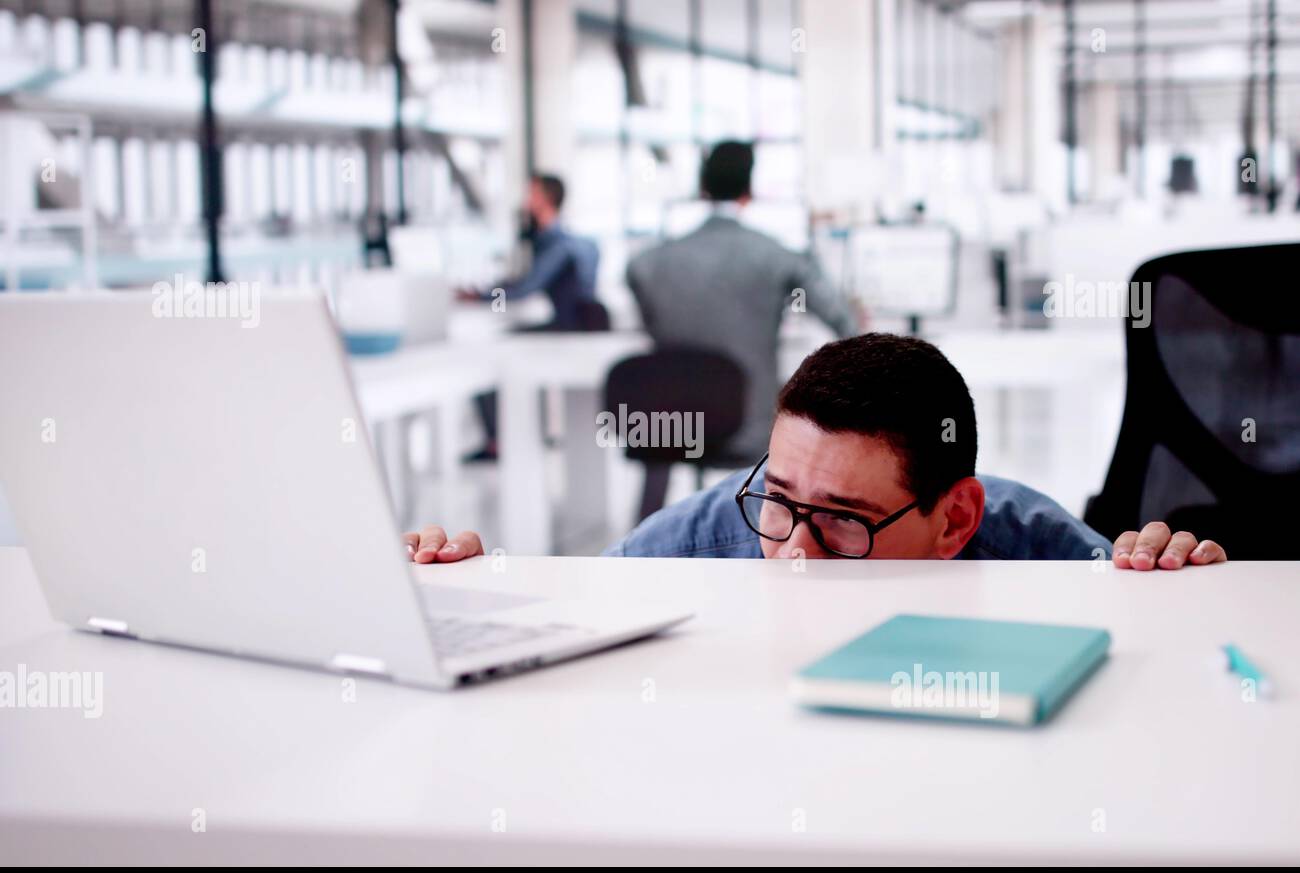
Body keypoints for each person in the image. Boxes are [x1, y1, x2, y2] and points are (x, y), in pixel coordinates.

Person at [407, 334, 1226, 570]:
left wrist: (1167, 580)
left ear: (954, 520)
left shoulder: (1027, 546)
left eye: (842, 523)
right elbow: (578, 619)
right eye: (780, 498)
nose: (792, 554)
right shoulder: (718, 526)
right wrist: (475, 577)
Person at [625, 141, 861, 459]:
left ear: (703, 188)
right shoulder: (778, 257)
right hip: (748, 427)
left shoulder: (648, 262)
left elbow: (652, 320)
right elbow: (844, 323)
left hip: (669, 426)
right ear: (749, 188)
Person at [458, 173, 601, 460]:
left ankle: (498, 439)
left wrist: (482, 295)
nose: (524, 202)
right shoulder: (577, 242)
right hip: (582, 325)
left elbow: (525, 287)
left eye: (530, 195)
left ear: (545, 200)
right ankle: (511, 435)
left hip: (568, 328)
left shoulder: (559, 244)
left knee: (492, 350)